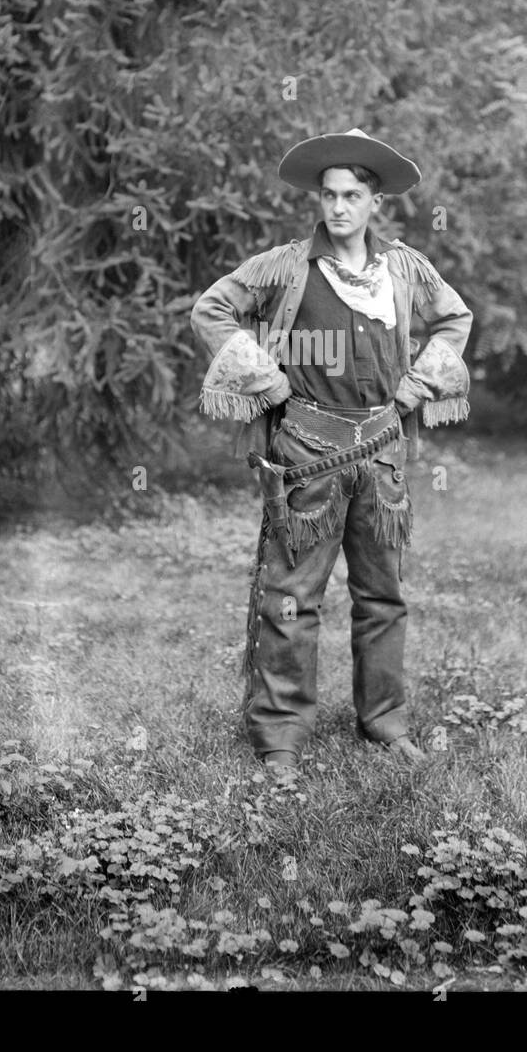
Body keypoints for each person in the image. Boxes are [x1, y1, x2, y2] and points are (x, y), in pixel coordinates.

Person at [190, 128, 473, 781]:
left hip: (382, 450)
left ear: (375, 202)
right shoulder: (287, 267)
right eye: (328, 195)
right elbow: (213, 310)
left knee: (384, 596)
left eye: (351, 195)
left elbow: (455, 318)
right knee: (291, 599)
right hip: (306, 452)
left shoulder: (404, 269)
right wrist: (267, 378)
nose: (338, 207)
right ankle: (280, 736)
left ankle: (385, 722)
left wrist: (418, 383)